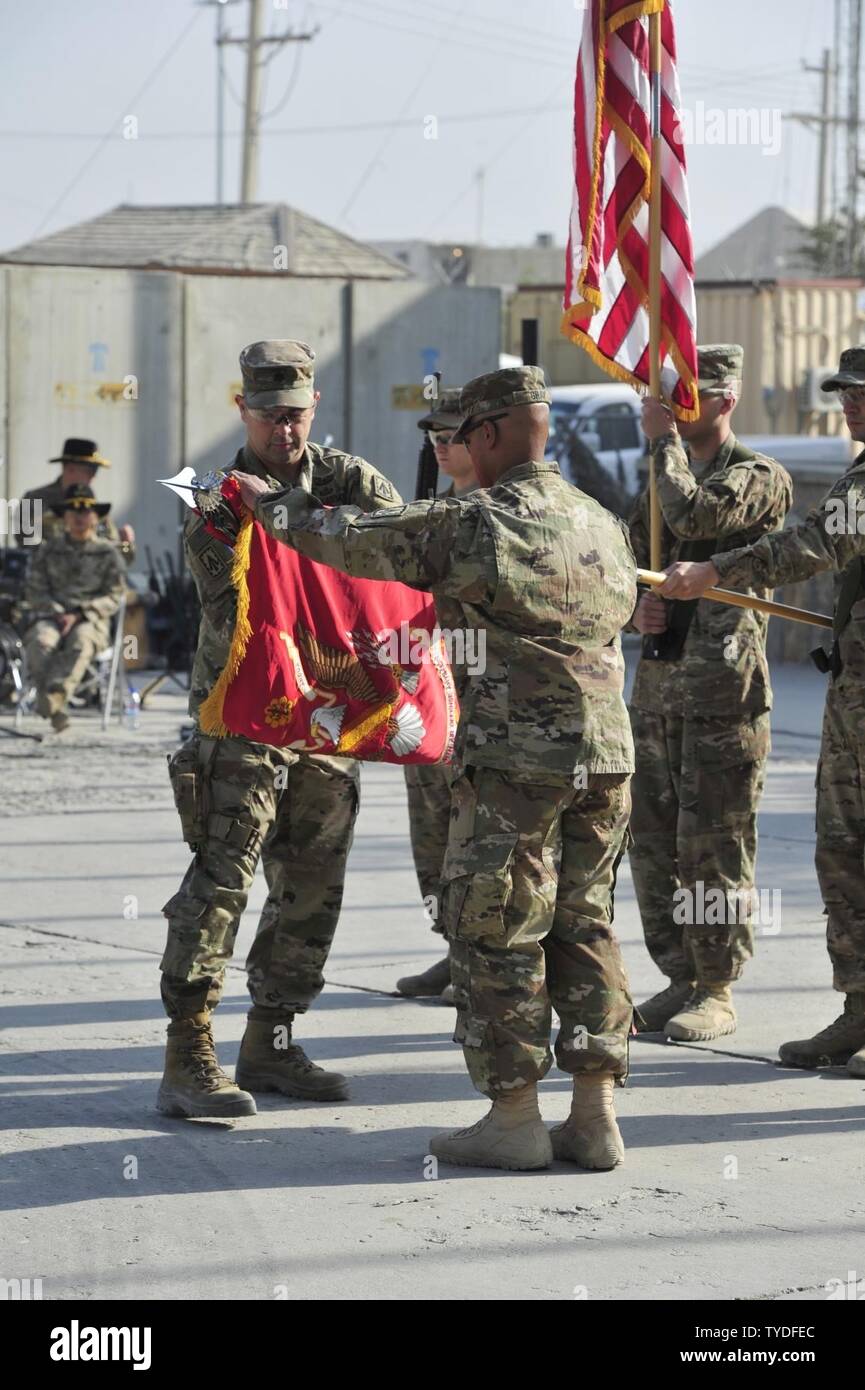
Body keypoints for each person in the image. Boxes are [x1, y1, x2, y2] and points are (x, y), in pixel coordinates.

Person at [235, 366, 636, 1173]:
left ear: (485, 435)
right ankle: (593, 1115)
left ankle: (514, 1115)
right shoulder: (599, 520)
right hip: (607, 759)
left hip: (516, 764)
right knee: (584, 925)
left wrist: (265, 502)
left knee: (497, 931)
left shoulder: (478, 521)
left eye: (461, 433)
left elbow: (346, 539)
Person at [157, 339, 402, 1120]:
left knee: (312, 884)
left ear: (313, 408)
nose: (283, 431)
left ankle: (271, 1038)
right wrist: (303, 528)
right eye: (268, 416)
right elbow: (229, 592)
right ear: (243, 411)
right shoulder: (209, 491)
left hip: (329, 714)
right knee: (222, 879)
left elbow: (397, 556)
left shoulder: (351, 480)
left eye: (294, 415)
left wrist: (295, 517)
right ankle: (188, 1052)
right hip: (242, 711)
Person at [657, 345, 865, 1077]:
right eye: (842, 390)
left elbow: (816, 542)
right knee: (843, 851)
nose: (848, 403)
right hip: (851, 696)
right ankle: (858, 1007)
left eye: (859, 392)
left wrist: (719, 569)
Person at [628, 346, 792, 1042]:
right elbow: (635, 554)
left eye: (686, 398)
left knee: (713, 843)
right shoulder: (662, 477)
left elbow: (693, 518)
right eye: (668, 398)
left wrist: (662, 440)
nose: (672, 409)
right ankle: (678, 973)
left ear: (724, 401)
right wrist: (635, 610)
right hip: (659, 689)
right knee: (654, 842)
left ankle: (716, 985)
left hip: (722, 692)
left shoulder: (758, 477)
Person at [396, 387, 477, 1005]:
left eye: (452, 433)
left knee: (477, 834)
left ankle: (483, 959)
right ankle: (453, 946)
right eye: (434, 435)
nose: (441, 444)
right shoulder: (428, 509)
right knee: (433, 833)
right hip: (430, 694)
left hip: (484, 699)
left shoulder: (498, 511)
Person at [21, 484, 126, 732]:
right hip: (52, 616)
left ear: (96, 517)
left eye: (86, 511)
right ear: (64, 517)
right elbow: (34, 589)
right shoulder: (48, 551)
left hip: (90, 620)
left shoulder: (108, 553)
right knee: (40, 641)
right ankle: (56, 707)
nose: (79, 517)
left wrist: (79, 613)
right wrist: (58, 612)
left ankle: (53, 698)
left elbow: (115, 595)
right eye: (73, 511)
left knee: (81, 642)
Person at [17, 438, 136, 563]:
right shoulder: (34, 501)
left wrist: (125, 545)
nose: (93, 477)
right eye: (90, 471)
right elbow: (28, 544)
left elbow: (113, 556)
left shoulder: (94, 509)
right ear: (70, 469)